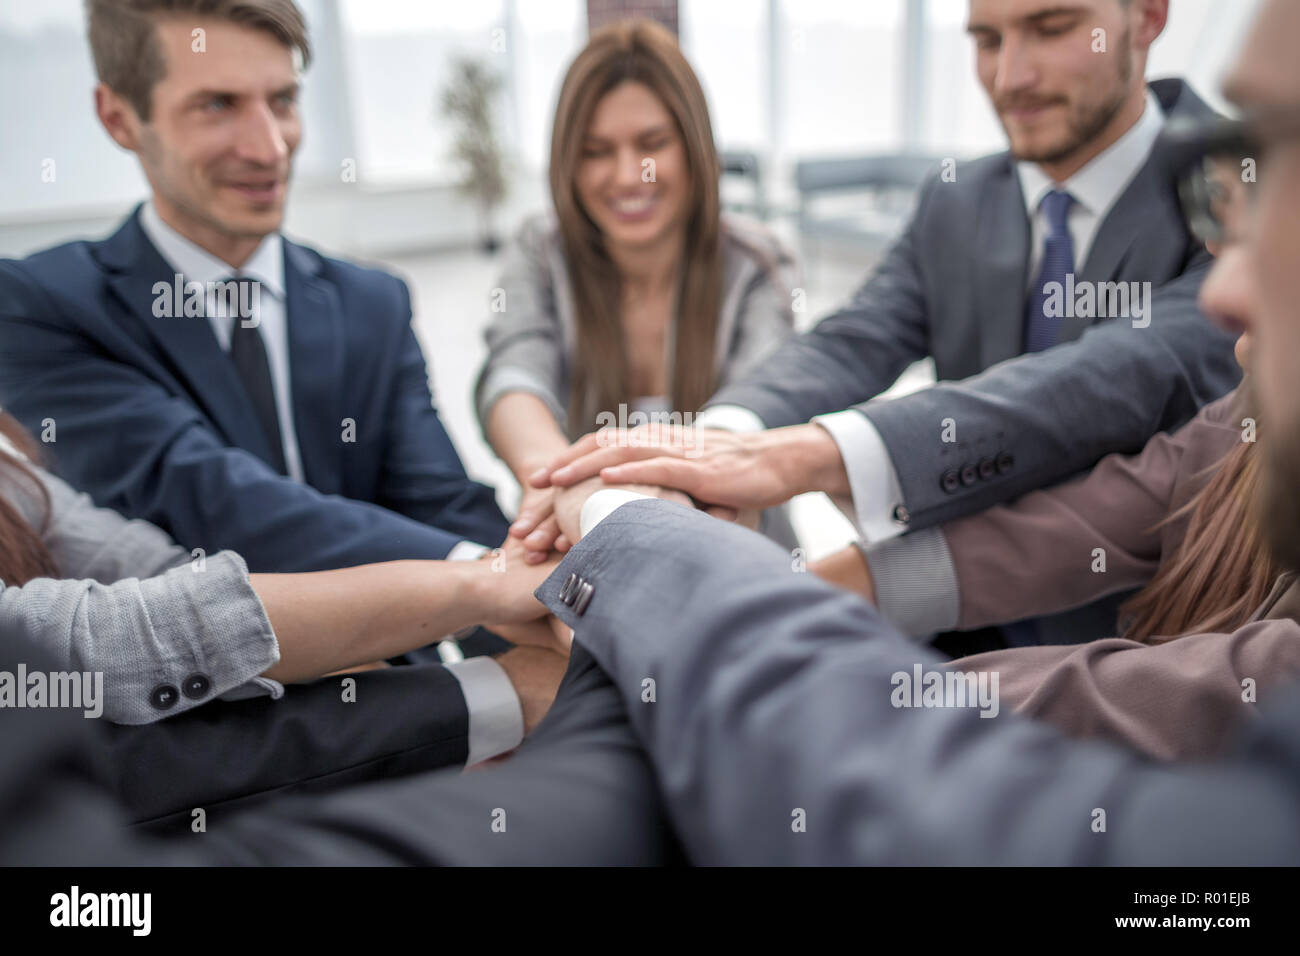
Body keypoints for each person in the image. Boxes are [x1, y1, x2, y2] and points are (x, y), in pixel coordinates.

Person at [529, 0, 1241, 652]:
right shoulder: (957, 202)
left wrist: (806, 456)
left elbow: (1116, 375)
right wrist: (713, 444)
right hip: (945, 632)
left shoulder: (1241, 188)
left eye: (1052, 29)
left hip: (1150, 654)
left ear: (1146, 16)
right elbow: (856, 338)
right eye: (986, 39)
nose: (1011, 75)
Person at [0, 0, 554, 770]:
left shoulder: (370, 301)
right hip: (204, 757)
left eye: (284, 101)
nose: (269, 146)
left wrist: (559, 645)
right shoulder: (43, 303)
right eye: (218, 105)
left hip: (418, 711)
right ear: (120, 117)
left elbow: (437, 499)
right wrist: (497, 584)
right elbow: (213, 499)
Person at [477, 19, 797, 559]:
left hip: (740, 546)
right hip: (580, 539)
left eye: (652, 144)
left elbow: (758, 415)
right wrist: (559, 482)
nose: (629, 175)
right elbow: (514, 374)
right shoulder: (539, 251)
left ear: (694, 149)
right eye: (596, 151)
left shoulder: (757, 263)